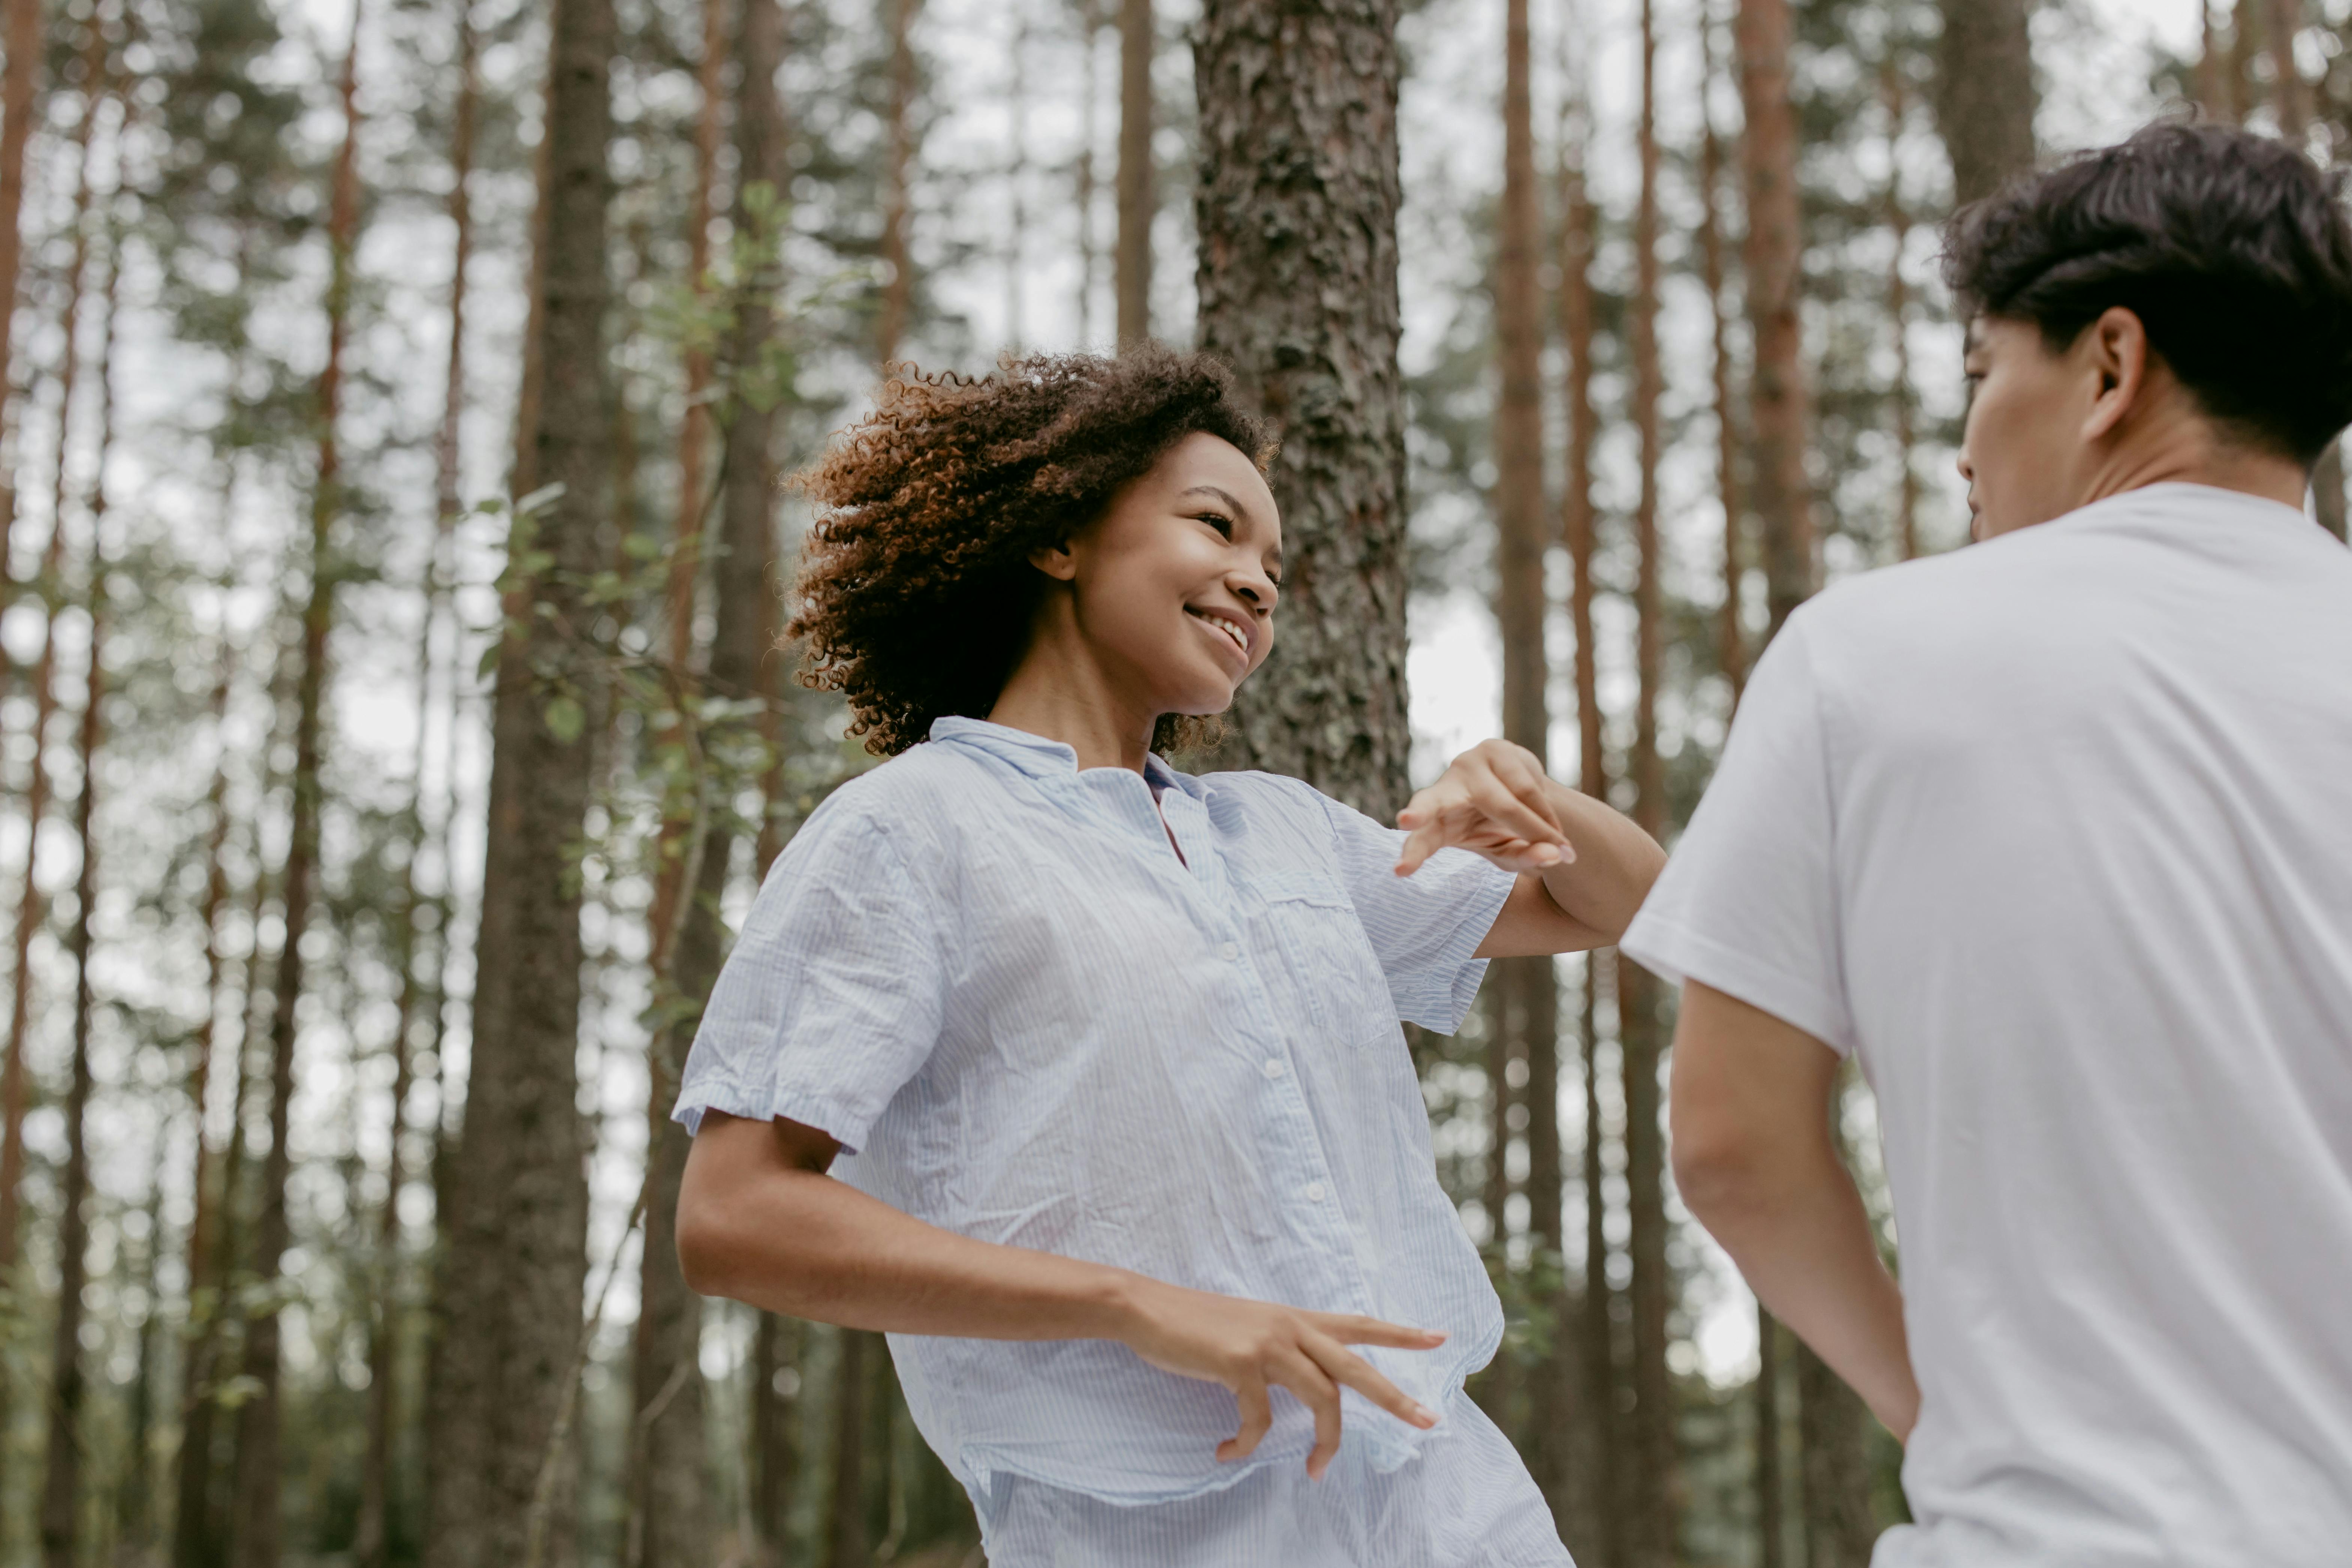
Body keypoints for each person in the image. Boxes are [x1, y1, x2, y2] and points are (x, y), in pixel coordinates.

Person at [672, 347, 1664, 1567]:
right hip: (1148, 1530)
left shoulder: (1285, 832)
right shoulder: (908, 830)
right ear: (1059, 537)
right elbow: (733, 1217)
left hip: (1449, 1504)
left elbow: (1621, 905)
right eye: (1216, 527)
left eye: (1275, 569)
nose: (1255, 582)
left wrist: (1531, 791)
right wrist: (1137, 1305)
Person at [1626, 121, 2352, 1567]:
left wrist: (1944, 1411)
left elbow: (1729, 1147)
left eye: (1979, 379)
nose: (1963, 450)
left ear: (2109, 367)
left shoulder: (1866, 656)